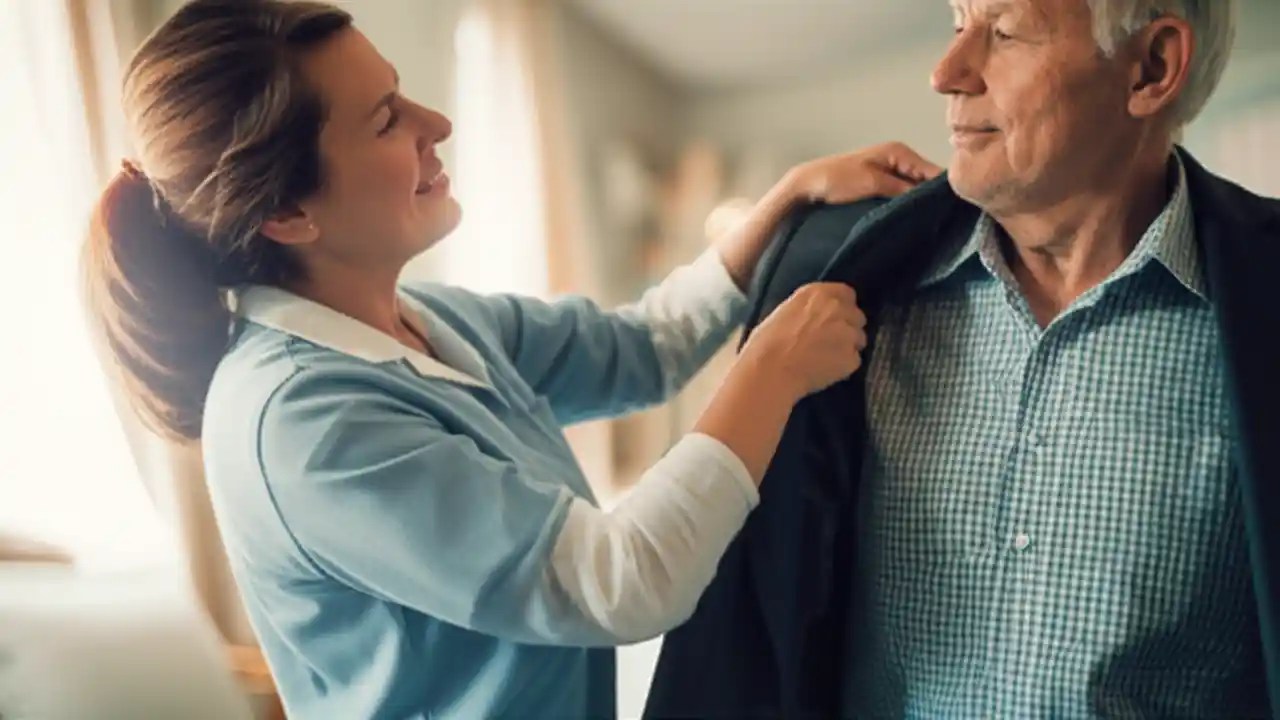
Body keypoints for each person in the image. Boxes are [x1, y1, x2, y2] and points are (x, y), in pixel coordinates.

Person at [81, 1, 943, 717]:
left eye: (401, 94)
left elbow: (638, 349)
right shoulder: (302, 427)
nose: (438, 125)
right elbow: (619, 582)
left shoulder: (423, 321)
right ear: (286, 216)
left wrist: (783, 201)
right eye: (387, 120)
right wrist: (772, 370)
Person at [647, 0, 1280, 718]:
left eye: (1003, 33)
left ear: (1152, 66)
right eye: (957, 24)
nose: (946, 73)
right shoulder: (842, 282)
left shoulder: (1262, 310)